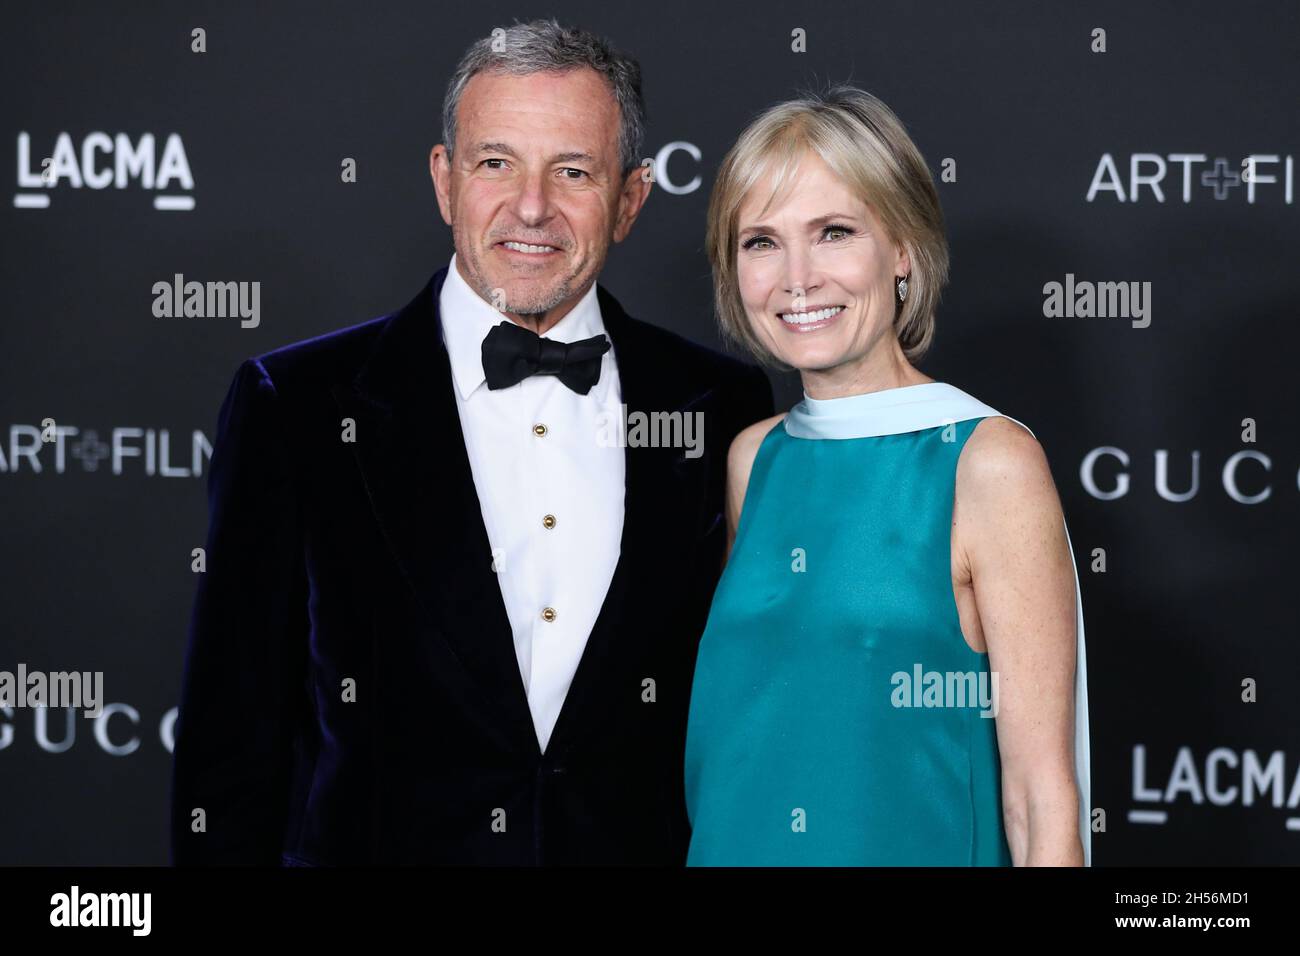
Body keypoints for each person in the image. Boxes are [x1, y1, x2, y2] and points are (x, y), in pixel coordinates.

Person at [170, 18, 772, 866]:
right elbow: (232, 748)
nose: (532, 207)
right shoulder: (297, 406)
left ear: (631, 199)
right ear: (445, 180)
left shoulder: (721, 404)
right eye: (497, 163)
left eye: (573, 171)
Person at [683, 86, 1091, 866]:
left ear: (902, 249)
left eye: (833, 232)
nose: (796, 277)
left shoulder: (986, 460)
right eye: (761, 242)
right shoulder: (753, 458)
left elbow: (1040, 798)